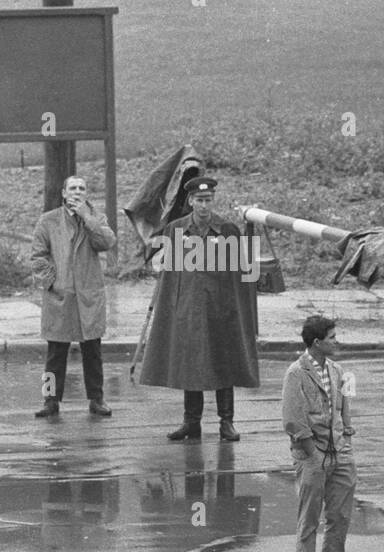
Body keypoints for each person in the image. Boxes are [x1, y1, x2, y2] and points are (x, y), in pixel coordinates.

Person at [137, 176, 259, 441]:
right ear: (191, 201)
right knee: (191, 366)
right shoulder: (176, 230)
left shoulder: (227, 230)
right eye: (199, 200)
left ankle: (226, 422)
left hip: (221, 309)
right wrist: (173, 309)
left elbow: (240, 274)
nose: (204, 205)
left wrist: (238, 310)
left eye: (208, 200)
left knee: (223, 363)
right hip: (190, 310)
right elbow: (170, 275)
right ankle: (191, 422)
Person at [282, 316, 359, 552]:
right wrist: (313, 455)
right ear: (317, 343)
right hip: (311, 455)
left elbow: (344, 409)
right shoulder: (296, 373)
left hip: (339, 452)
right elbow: (292, 419)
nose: (336, 341)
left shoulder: (337, 370)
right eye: (332, 337)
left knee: (340, 515)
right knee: (310, 518)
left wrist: (346, 442)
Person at [30, 176, 117, 419]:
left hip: (89, 296)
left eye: (82, 188)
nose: (77, 192)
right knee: (55, 354)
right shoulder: (48, 221)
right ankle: (50, 400)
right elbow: (38, 256)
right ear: (64, 192)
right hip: (60, 297)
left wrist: (87, 219)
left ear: (86, 194)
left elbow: (107, 241)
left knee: (93, 351)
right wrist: (52, 283)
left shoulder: (96, 218)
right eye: (73, 188)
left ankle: (97, 398)